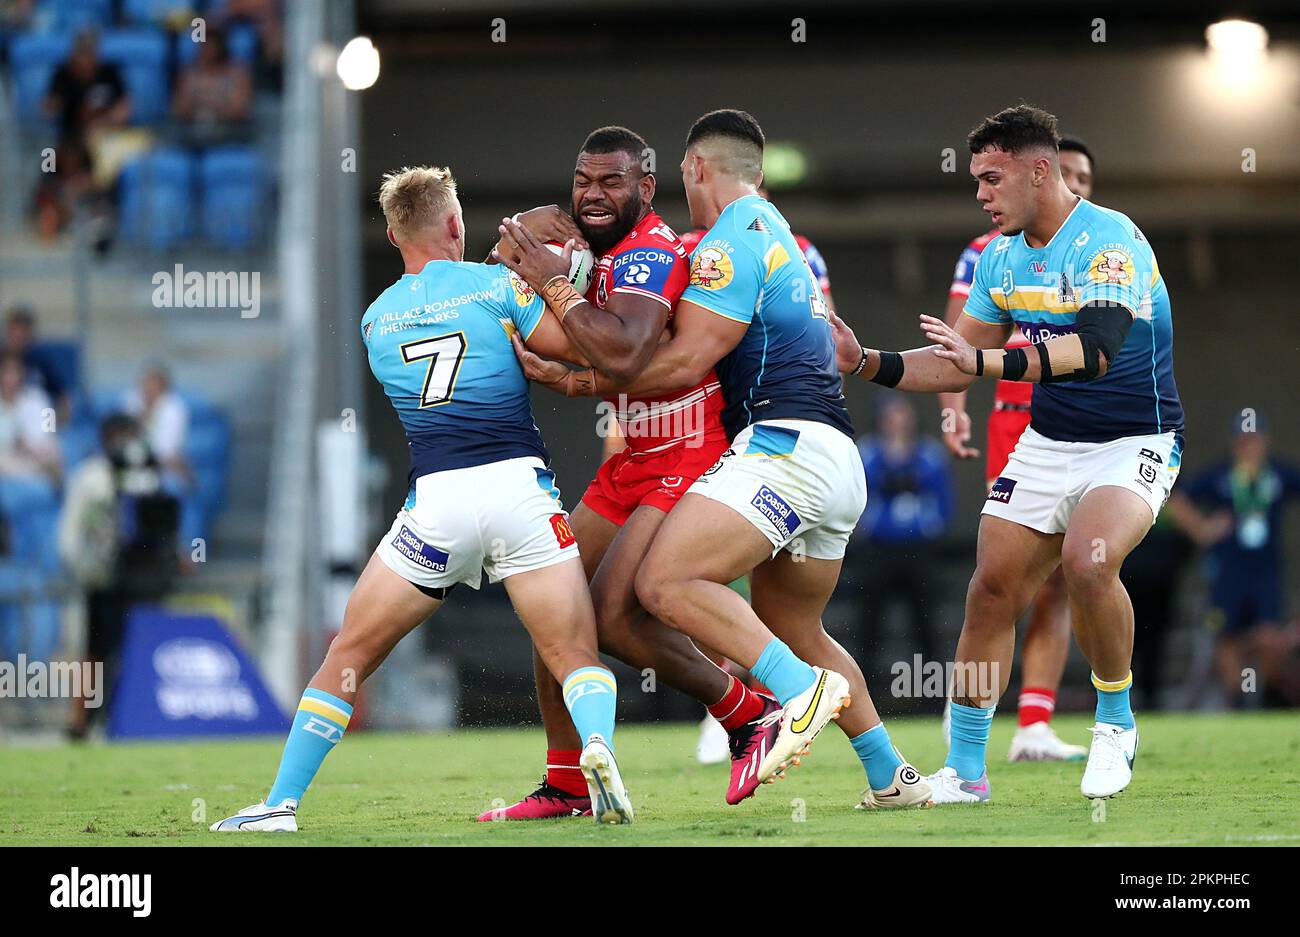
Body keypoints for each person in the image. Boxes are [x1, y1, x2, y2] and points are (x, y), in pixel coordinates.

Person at [507, 109, 932, 809]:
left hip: (783, 446)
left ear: (692, 170)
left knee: (664, 584)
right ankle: (891, 775)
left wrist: (576, 377)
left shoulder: (726, 242)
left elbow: (679, 361)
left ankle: (789, 695)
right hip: (834, 457)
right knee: (798, 628)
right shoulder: (779, 237)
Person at [211, 165, 632, 831]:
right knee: (573, 653)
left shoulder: (376, 319)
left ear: (392, 233)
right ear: (455, 225)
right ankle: (600, 752)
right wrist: (566, 283)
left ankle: (280, 803)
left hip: (434, 507)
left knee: (348, 654)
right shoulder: (497, 286)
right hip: (518, 494)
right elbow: (586, 351)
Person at [832, 104, 1183, 802]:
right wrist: (865, 360)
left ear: (1040, 170)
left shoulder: (1108, 241)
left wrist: (987, 360)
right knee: (990, 588)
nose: (981, 194)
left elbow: (1096, 351)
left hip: (1133, 439)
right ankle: (966, 772)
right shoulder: (1000, 256)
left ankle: (1115, 724)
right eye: (977, 181)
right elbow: (954, 363)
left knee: (1089, 559)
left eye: (992, 178)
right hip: (1050, 442)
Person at [484, 127, 779, 820]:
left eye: (610, 182)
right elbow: (495, 268)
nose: (593, 194)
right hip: (632, 457)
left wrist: (550, 280)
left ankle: (746, 713)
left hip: (687, 450)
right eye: (583, 180)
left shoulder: (649, 251)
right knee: (551, 603)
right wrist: (525, 232)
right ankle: (563, 783)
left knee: (615, 615)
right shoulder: (591, 249)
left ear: (644, 189)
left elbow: (622, 351)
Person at [937, 135, 1097, 762]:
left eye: (1085, 176)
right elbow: (955, 341)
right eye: (1069, 173)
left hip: (1092, 430)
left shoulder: (1102, 249)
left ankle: (1035, 722)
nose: (1077, 184)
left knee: (1070, 576)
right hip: (1017, 422)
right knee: (1000, 580)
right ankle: (968, 709)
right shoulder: (990, 251)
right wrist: (952, 413)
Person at [60, 414, 179, 738]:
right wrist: (83, 567)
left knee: (138, 647)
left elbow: (158, 524)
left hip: (143, 575)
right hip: (102, 578)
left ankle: (136, 715)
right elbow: (72, 530)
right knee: (94, 651)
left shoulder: (148, 475)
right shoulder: (90, 477)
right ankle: (80, 721)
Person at [1169, 415, 1300, 707]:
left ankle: (1266, 695)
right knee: (1226, 637)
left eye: (1254, 441)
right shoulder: (1220, 475)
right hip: (1228, 572)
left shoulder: (1277, 474)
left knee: (1269, 635)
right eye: (1243, 442)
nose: (1249, 448)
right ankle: (1238, 698)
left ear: (1266, 442)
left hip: (1266, 571)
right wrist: (1202, 530)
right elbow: (1175, 498)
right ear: (1234, 444)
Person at [850, 393, 953, 678]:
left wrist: (931, 529)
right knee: (868, 623)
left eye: (903, 415)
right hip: (878, 549)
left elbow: (944, 503)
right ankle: (864, 690)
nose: (898, 421)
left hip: (918, 549)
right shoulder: (867, 453)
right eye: (891, 416)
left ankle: (932, 695)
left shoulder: (929, 455)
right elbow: (856, 499)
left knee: (926, 624)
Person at [172, 26, 254, 145]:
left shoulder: (238, 74)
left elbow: (239, 110)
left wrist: (207, 107)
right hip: (192, 130)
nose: (208, 50)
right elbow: (180, 108)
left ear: (220, 47)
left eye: (211, 46)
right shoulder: (189, 74)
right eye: (204, 46)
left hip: (229, 130)